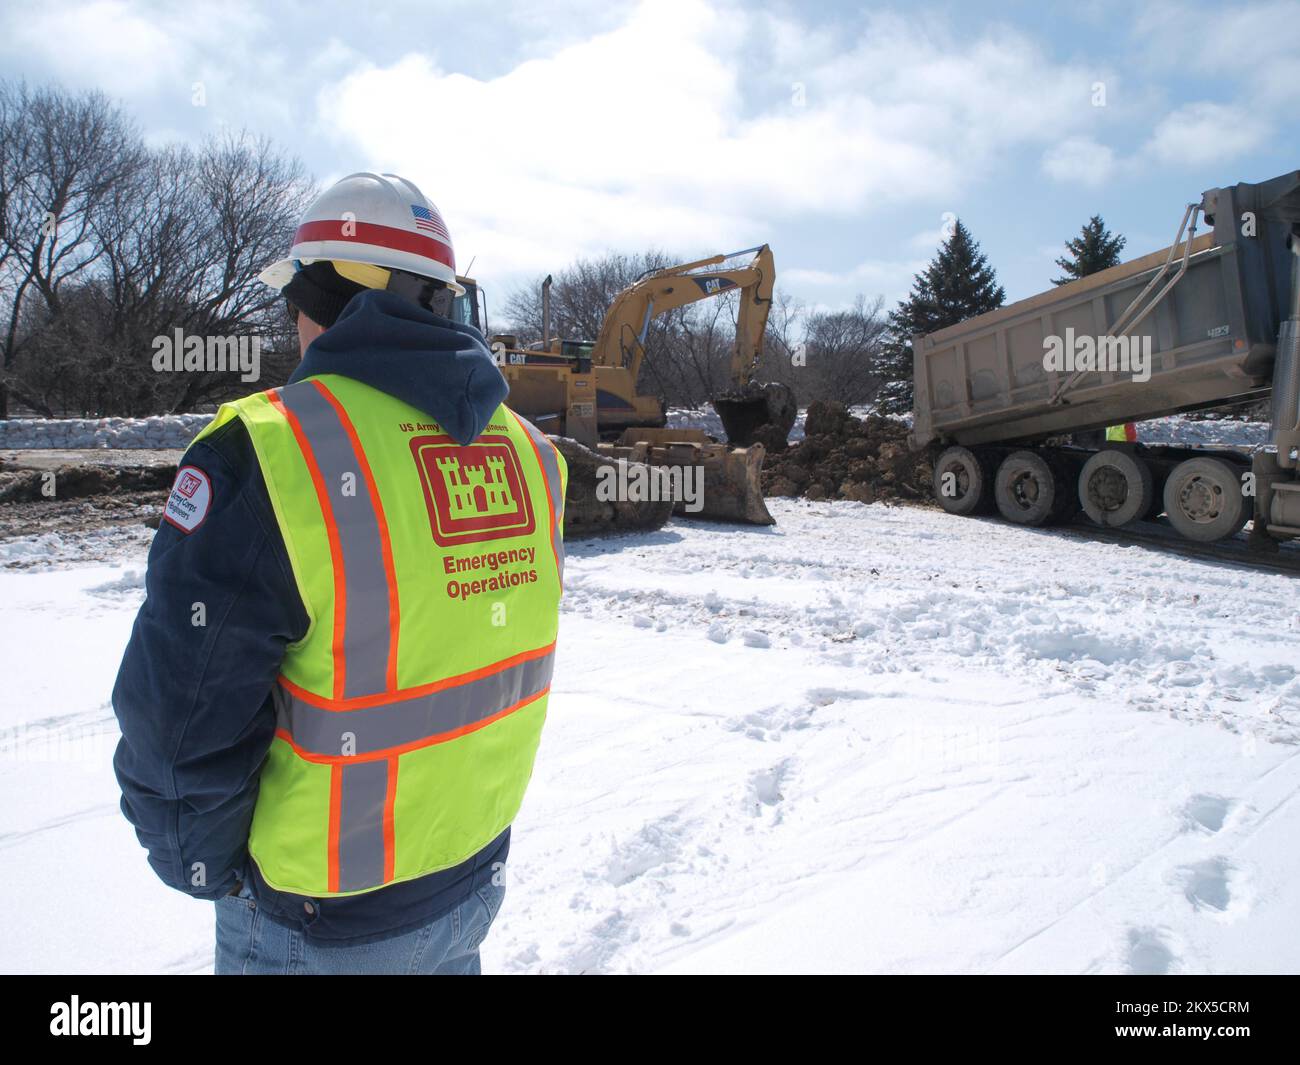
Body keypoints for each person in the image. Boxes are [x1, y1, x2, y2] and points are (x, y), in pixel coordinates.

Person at [111, 172, 566, 975]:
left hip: (315, 925)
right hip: (467, 887)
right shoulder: (533, 455)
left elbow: (178, 723)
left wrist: (211, 871)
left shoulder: (270, 453)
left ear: (323, 296)